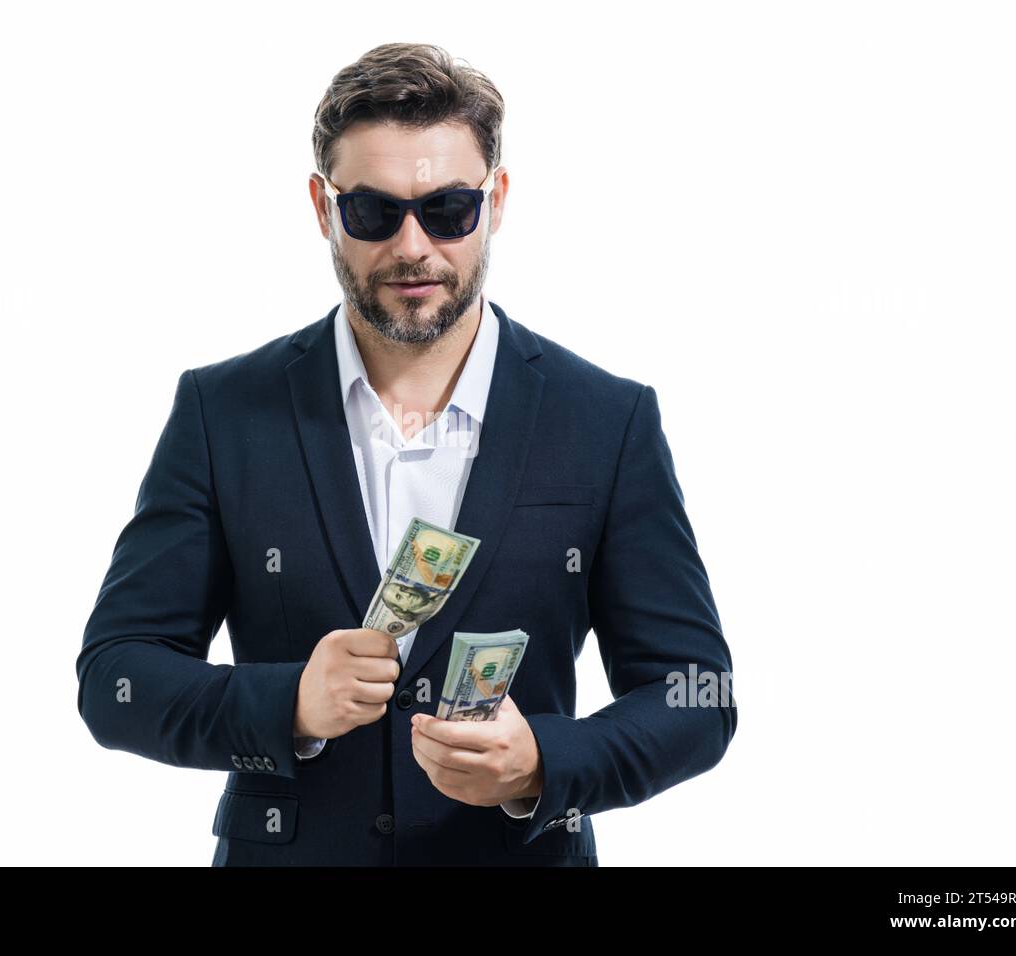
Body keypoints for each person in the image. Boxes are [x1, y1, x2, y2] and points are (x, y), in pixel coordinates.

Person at [76, 41, 737, 867]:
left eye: (449, 209)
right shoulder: (222, 412)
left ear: (496, 201)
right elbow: (114, 679)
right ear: (323, 210)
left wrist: (544, 762)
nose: (414, 246)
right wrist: (288, 705)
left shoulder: (607, 420)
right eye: (375, 213)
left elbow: (696, 696)